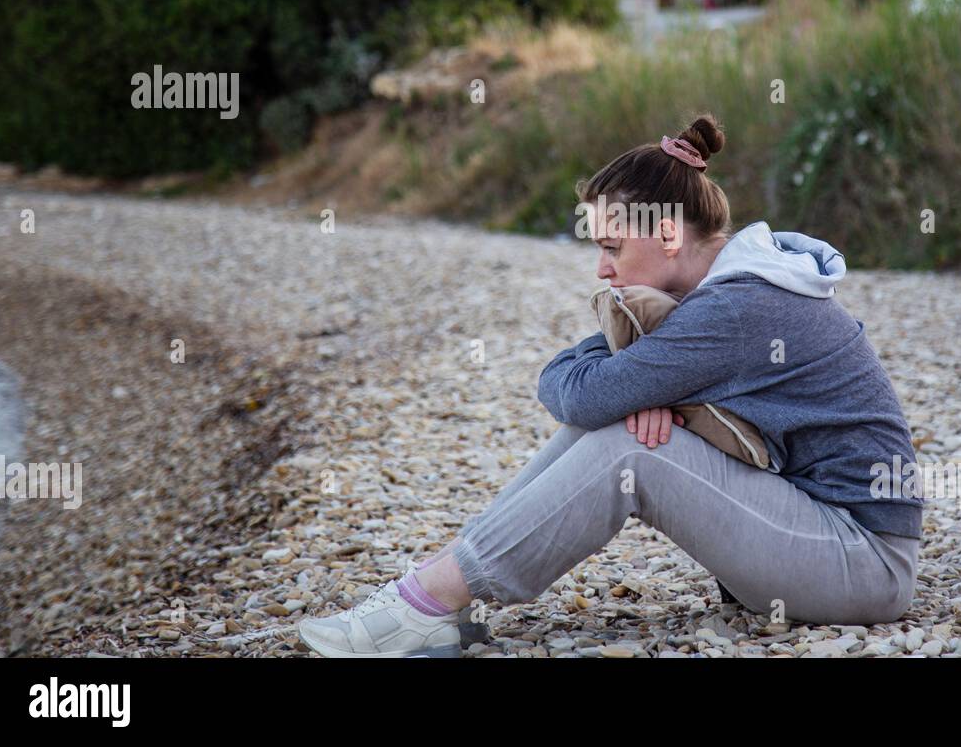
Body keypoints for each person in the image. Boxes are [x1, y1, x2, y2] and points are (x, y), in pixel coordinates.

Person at [297, 115, 924, 658]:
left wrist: (639, 383)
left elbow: (581, 390)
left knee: (629, 445)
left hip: (863, 565)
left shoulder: (741, 307)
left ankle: (427, 601)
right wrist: (648, 386)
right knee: (617, 424)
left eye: (612, 246)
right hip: (813, 543)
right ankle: (442, 594)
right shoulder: (740, 286)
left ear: (670, 235)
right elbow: (569, 387)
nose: (602, 269)